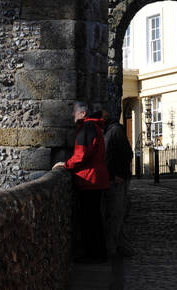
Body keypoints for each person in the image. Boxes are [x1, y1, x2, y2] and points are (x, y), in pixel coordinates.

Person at [53, 101, 109, 260]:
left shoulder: (87, 129)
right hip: (95, 177)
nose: (72, 114)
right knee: (94, 218)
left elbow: (81, 155)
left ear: (83, 114)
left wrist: (65, 164)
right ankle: (98, 253)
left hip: (89, 179)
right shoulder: (95, 127)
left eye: (74, 111)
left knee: (89, 219)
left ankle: (93, 255)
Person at [101, 109, 133, 256]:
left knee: (116, 213)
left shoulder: (115, 131)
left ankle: (113, 248)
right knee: (116, 213)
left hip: (118, 180)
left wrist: (118, 174)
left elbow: (127, 153)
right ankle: (121, 247)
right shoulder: (110, 131)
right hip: (112, 178)